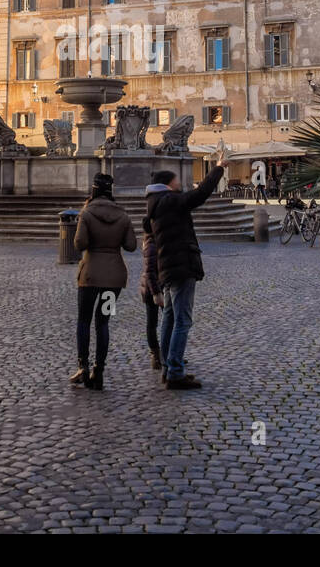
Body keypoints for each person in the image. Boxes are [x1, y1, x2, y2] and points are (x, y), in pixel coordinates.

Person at [147, 152, 225, 390]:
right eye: (176, 181)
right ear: (168, 184)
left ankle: (170, 367)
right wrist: (218, 168)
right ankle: (175, 372)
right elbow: (199, 195)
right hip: (180, 266)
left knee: (170, 318)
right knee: (182, 320)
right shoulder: (169, 201)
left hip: (168, 268)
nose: (180, 184)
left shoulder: (157, 204)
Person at [70, 173, 137, 390]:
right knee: (103, 322)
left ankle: (83, 366)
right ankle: (99, 370)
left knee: (84, 320)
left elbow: (79, 244)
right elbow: (131, 245)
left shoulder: (87, 213)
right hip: (114, 279)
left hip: (89, 277)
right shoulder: (123, 215)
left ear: (94, 190)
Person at [139, 202, 166, 370]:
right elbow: (150, 272)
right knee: (152, 323)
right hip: (152, 290)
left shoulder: (153, 242)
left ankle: (169, 353)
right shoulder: (151, 244)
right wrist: (156, 292)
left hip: (157, 287)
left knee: (168, 320)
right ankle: (156, 355)